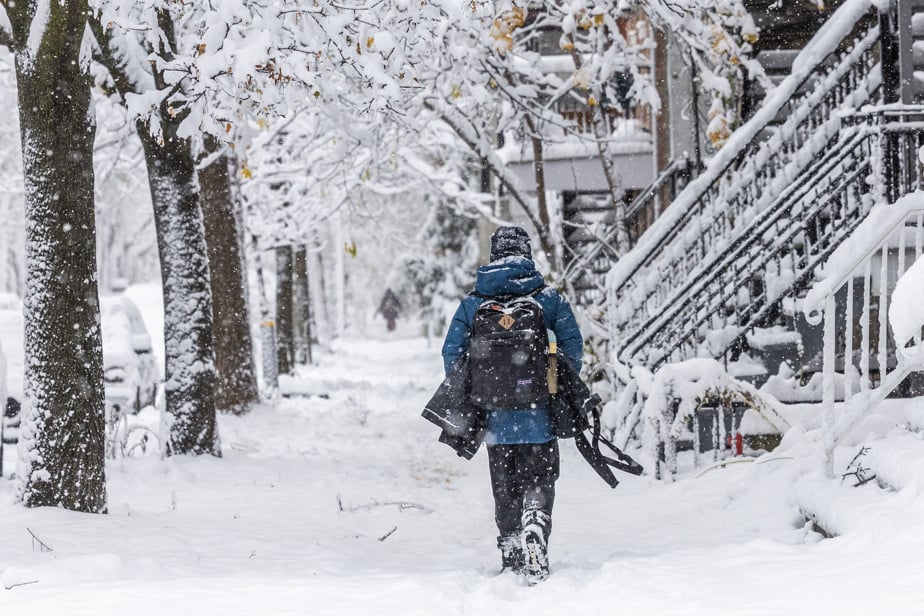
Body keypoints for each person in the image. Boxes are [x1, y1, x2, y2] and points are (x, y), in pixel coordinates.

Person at [441, 226, 583, 583]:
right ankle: (535, 520)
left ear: (493, 258)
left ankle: (512, 552)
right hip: (539, 414)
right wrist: (548, 383)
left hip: (494, 418)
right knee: (539, 478)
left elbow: (451, 353)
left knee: (504, 487)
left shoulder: (473, 304)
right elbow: (573, 351)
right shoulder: (549, 299)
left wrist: (481, 390)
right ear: (527, 254)